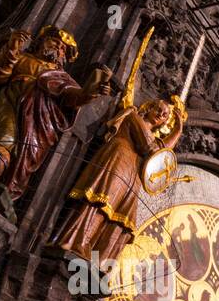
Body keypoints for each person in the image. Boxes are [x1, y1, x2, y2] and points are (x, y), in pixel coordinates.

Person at [0, 26, 109, 199]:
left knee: (25, 156)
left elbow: (74, 97)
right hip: (12, 104)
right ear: (41, 42)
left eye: (63, 49)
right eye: (55, 42)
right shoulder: (22, 58)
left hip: (41, 123)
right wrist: (10, 50)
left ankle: (5, 189)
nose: (59, 48)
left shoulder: (62, 77)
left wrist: (92, 92)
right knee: (4, 134)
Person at [52, 96, 186, 261]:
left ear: (164, 122)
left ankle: (98, 256)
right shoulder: (133, 117)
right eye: (158, 109)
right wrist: (177, 131)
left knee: (120, 215)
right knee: (100, 201)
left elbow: (158, 155)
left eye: (165, 115)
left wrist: (178, 130)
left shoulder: (153, 139)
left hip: (133, 172)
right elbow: (152, 149)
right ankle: (78, 242)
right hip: (118, 161)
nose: (160, 114)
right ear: (149, 107)